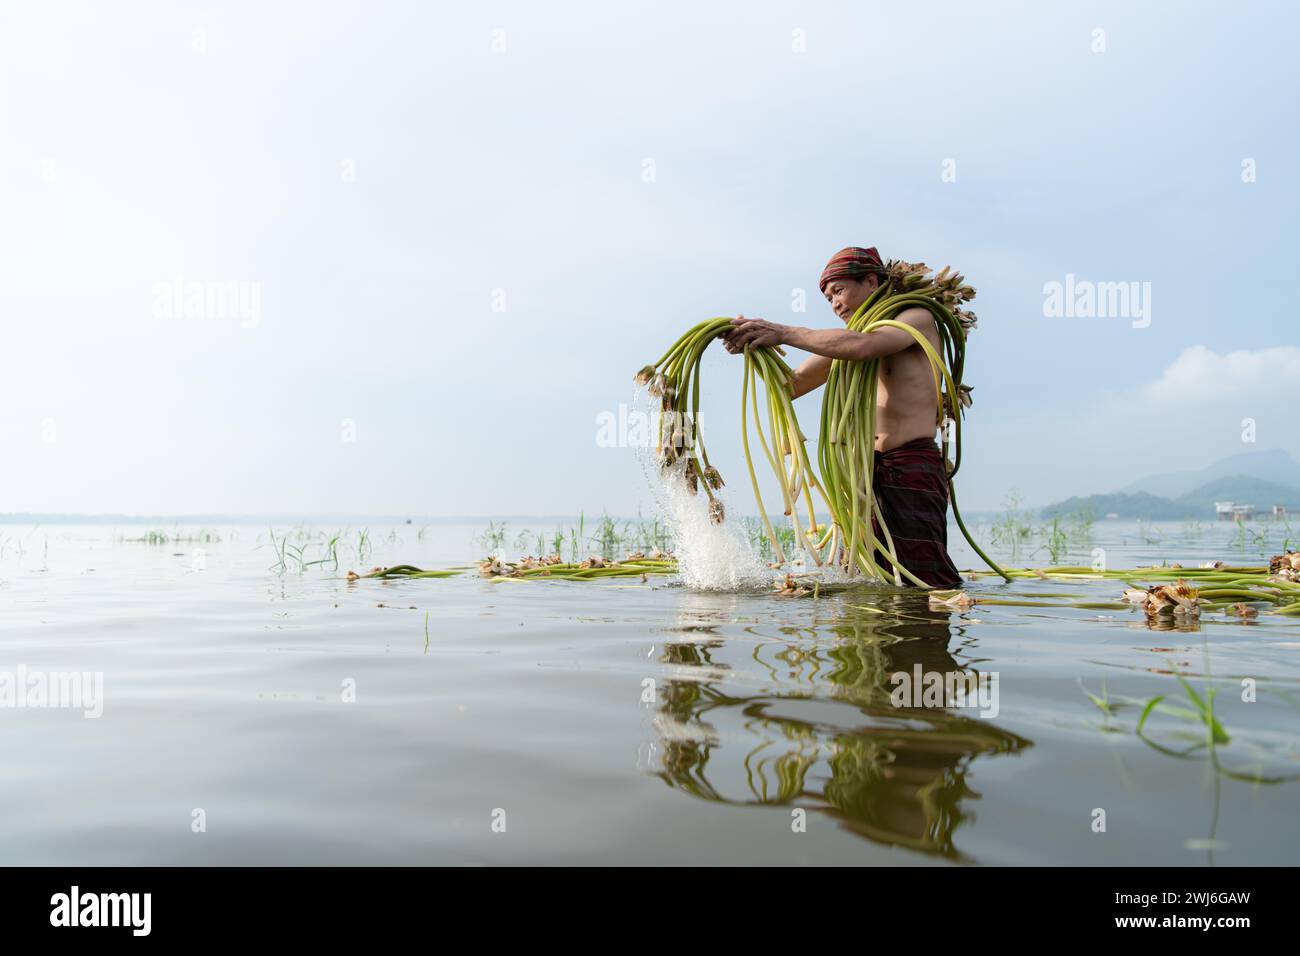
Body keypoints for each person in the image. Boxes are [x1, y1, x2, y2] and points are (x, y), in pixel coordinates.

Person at [721, 246, 963, 589]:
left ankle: (929, 633)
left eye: (839, 290)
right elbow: (791, 386)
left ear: (870, 280)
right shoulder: (846, 343)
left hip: (909, 467)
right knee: (871, 579)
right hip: (863, 474)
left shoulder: (915, 317)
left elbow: (864, 346)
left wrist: (783, 331)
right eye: (828, 297)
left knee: (925, 580)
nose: (834, 303)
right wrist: (753, 345)